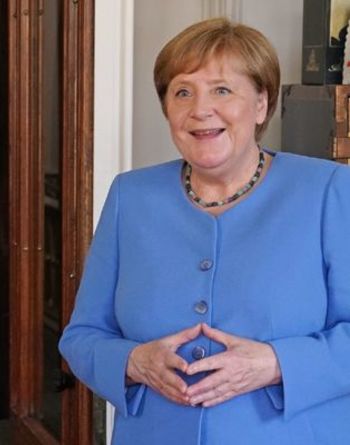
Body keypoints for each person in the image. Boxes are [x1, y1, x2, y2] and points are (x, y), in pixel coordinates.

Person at [59, 18, 350, 444]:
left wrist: (275, 363)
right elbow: (81, 338)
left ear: (261, 104)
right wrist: (134, 361)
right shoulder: (131, 196)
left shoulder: (327, 190)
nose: (200, 109)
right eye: (182, 92)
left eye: (222, 90)